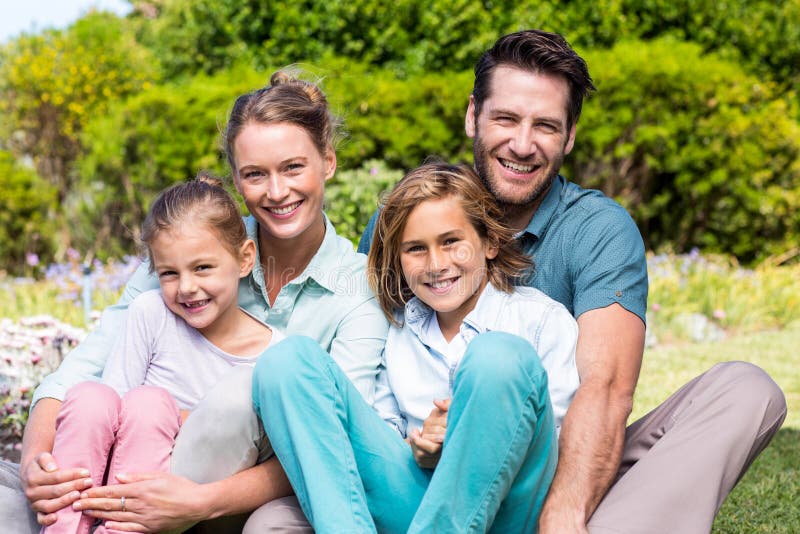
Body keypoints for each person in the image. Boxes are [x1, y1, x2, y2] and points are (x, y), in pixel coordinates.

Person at [357, 30, 787, 533]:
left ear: (570, 135)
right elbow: (364, 364)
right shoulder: (408, 216)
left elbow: (604, 389)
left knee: (746, 391)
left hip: (562, 464)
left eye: (545, 125)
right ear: (473, 115)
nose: (522, 143)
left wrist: (564, 514)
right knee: (275, 522)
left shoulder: (598, 229)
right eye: (506, 118)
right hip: (423, 471)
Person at [0, 71, 388, 533]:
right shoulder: (191, 246)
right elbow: (83, 369)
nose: (277, 191)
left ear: (328, 162)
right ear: (236, 180)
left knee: (244, 397)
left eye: (293, 168)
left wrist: (200, 502)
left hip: (234, 496)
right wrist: (37, 467)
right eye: (254, 175)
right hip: (129, 460)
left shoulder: (357, 291)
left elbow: (332, 443)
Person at [252, 161, 579, 532]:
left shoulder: (541, 321)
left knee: (499, 358)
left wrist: (466, 436)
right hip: (415, 505)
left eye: (451, 241)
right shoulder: (398, 330)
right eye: (415, 249)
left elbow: (554, 444)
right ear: (398, 259)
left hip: (508, 512)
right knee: (286, 362)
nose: (436, 264)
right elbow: (381, 443)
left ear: (488, 242)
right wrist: (421, 448)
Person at [44, 175, 285, 534]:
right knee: (94, 398)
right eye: (169, 273)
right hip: (120, 470)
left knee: (153, 404)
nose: (187, 287)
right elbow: (111, 408)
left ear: (245, 258)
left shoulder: (276, 353)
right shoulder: (151, 312)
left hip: (195, 499)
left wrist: (175, 417)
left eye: (202, 267)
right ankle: (66, 527)